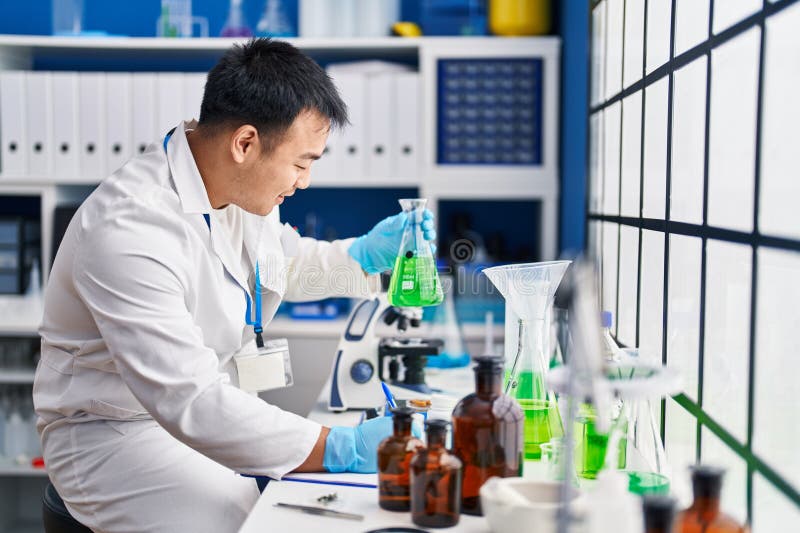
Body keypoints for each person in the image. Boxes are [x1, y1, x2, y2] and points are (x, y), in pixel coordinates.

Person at [33, 38, 435, 533]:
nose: (305, 181)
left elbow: (283, 265)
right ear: (245, 143)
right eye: (302, 162)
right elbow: (189, 397)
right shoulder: (128, 228)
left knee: (279, 506)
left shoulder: (236, 192)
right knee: (239, 519)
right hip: (113, 432)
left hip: (192, 413)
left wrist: (365, 254)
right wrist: (339, 446)